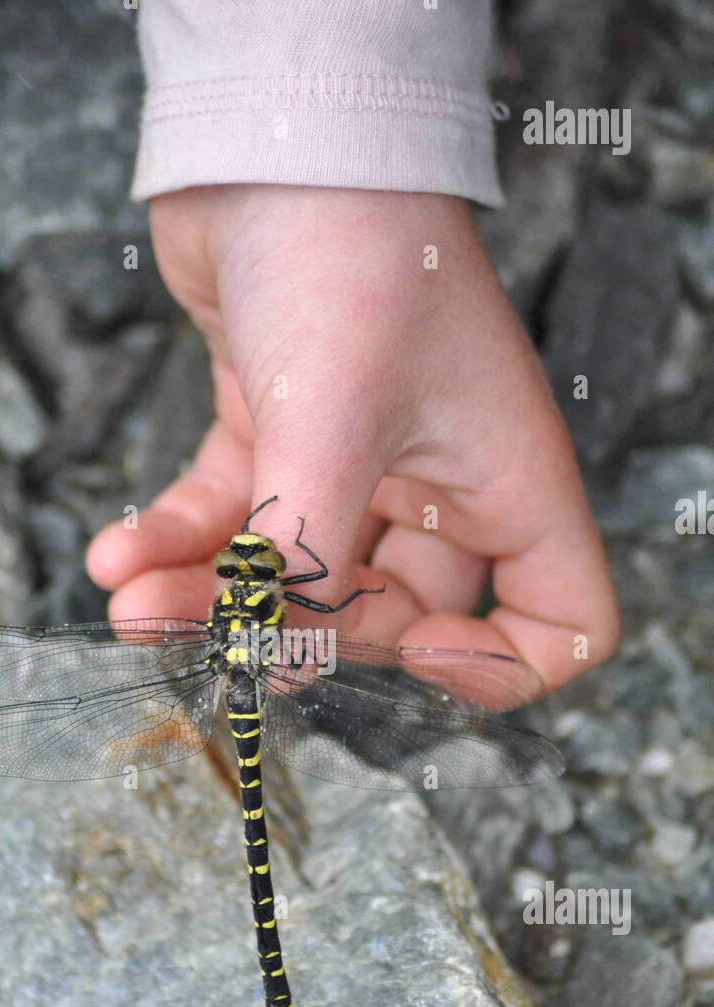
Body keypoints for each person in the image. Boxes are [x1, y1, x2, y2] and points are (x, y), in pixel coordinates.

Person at [86, 0, 620, 698]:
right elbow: (323, 600)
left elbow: (322, 598)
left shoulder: (269, 588)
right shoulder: (290, 580)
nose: (247, 557)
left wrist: (301, 162)